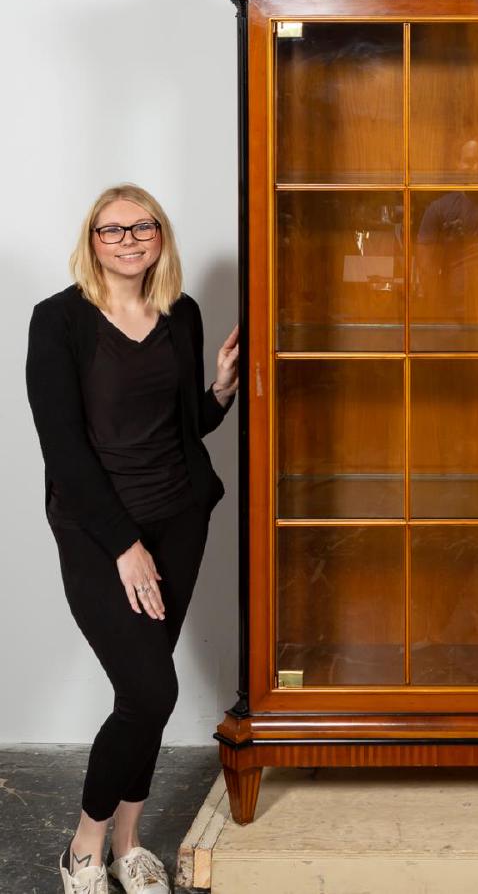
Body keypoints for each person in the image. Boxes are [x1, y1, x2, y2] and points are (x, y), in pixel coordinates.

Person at [25, 184, 239, 894]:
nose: (128, 240)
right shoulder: (58, 320)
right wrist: (124, 545)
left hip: (178, 520)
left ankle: (128, 842)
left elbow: (180, 428)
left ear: (160, 237)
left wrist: (220, 391)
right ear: (92, 241)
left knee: (146, 692)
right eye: (112, 230)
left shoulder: (182, 312)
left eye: (142, 227)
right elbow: (64, 450)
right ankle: (84, 847)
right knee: (151, 690)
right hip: (99, 533)